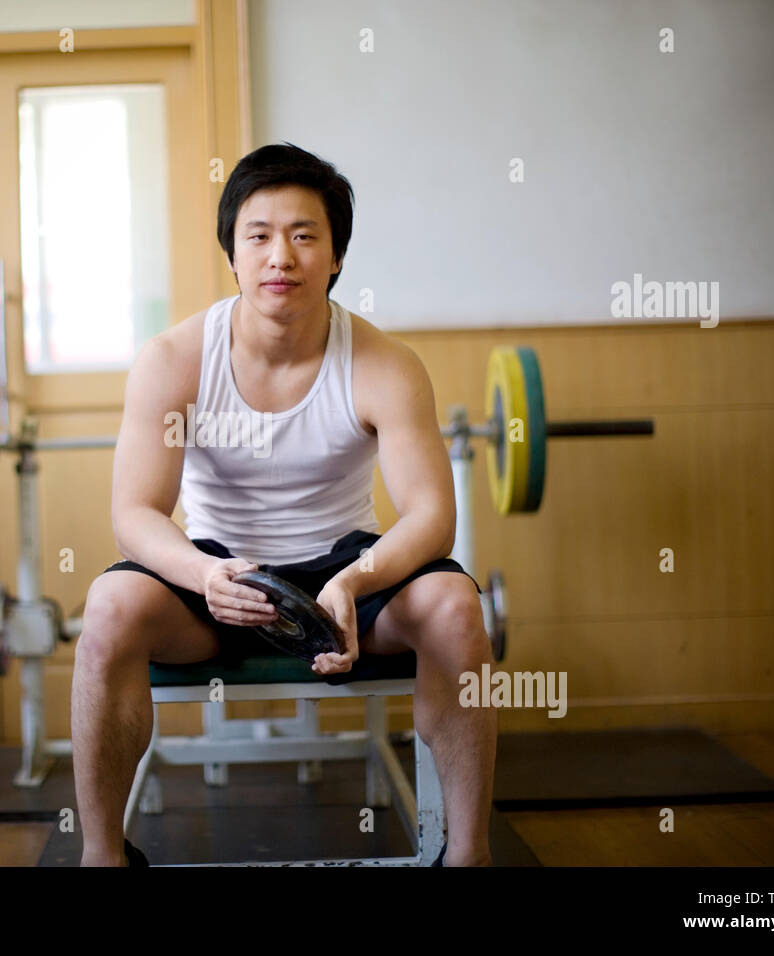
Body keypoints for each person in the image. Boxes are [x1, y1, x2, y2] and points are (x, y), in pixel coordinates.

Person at [71, 143, 496, 867]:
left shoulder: (384, 364)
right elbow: (136, 513)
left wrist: (355, 581)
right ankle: (103, 857)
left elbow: (431, 515)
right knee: (108, 608)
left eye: (304, 235)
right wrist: (205, 577)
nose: (281, 256)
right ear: (232, 254)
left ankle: (469, 855)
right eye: (259, 236)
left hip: (346, 571)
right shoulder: (174, 360)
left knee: (457, 608)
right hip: (213, 577)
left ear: (335, 256)